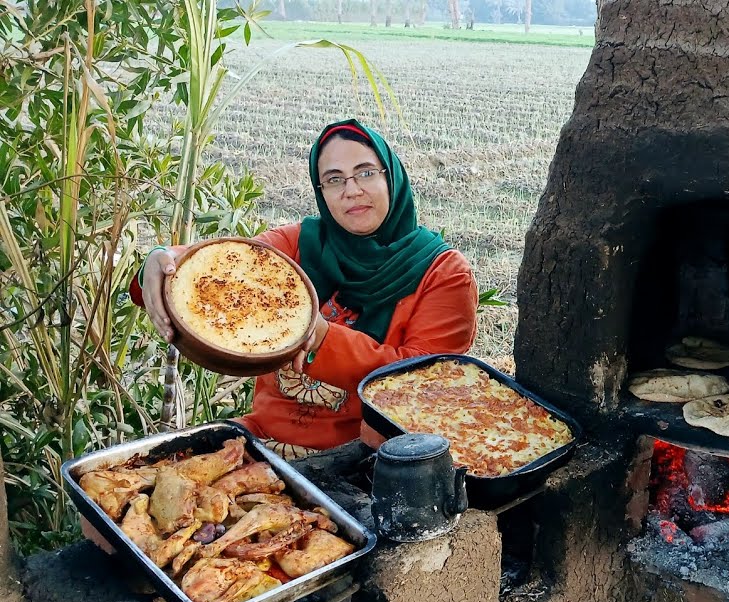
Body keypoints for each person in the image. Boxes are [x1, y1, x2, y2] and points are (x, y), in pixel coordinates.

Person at [133, 118, 480, 458]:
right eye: (334, 179)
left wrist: (323, 337)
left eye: (365, 172)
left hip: (368, 458)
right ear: (320, 191)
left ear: (392, 176)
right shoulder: (299, 243)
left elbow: (424, 383)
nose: (351, 190)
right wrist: (162, 261)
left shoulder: (443, 273)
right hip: (262, 441)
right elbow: (223, 268)